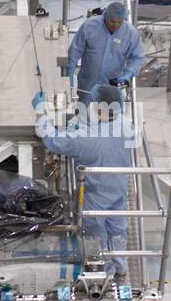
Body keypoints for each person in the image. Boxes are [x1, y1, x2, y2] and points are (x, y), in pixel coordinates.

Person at [37, 83, 133, 276]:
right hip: (119, 187)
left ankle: (104, 272)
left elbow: (52, 140)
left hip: (95, 194)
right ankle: (120, 264)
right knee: (117, 227)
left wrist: (41, 112)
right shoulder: (126, 124)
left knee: (95, 233)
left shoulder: (83, 138)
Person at [67, 2, 146, 103]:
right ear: (105, 16)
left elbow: (137, 57)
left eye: (119, 22)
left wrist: (127, 75)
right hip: (87, 87)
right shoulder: (90, 26)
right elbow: (74, 52)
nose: (116, 25)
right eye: (112, 22)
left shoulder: (130, 33)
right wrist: (69, 78)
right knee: (84, 115)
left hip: (112, 89)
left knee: (111, 115)